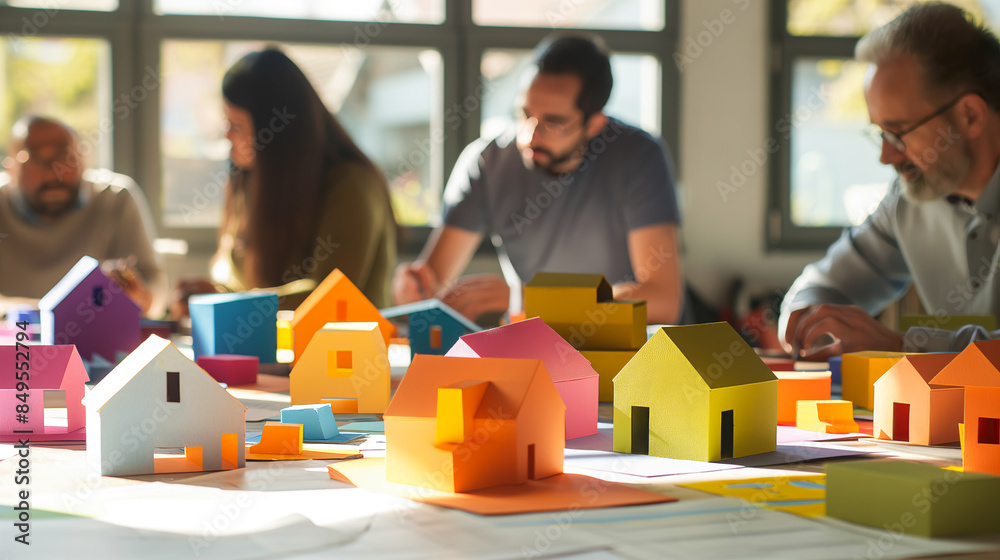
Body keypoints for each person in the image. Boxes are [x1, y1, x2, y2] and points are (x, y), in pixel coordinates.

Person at [392, 34, 684, 324]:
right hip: (540, 349)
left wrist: (533, 301)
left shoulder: (639, 156)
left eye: (553, 122)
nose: (529, 136)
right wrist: (411, 291)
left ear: (594, 124)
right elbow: (432, 283)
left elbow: (662, 301)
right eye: (524, 114)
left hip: (633, 356)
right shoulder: (487, 161)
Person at [780, 3, 1000, 360]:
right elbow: (819, 287)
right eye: (880, 134)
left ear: (970, 115)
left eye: (899, 134)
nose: (886, 156)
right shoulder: (908, 203)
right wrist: (807, 322)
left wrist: (901, 346)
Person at [175, 47, 397, 314]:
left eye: (237, 126)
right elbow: (233, 275)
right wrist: (213, 294)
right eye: (226, 123)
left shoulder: (353, 186)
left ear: (278, 135)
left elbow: (331, 297)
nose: (226, 136)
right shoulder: (247, 180)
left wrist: (230, 304)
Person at [0, 115, 166, 317]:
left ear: (83, 158)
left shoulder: (115, 199)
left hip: (99, 340)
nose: (54, 172)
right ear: (10, 168)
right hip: (15, 341)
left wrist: (141, 296)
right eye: (35, 159)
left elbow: (156, 290)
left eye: (65, 155)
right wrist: (50, 311)